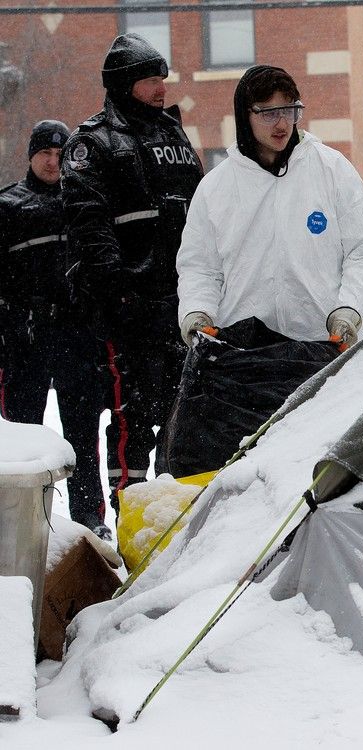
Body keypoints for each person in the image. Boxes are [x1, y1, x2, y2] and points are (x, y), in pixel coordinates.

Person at [61, 33, 204, 511]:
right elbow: (89, 227)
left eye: (162, 77)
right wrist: (120, 293)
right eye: (149, 78)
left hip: (183, 303)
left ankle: (175, 510)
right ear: (125, 84)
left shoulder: (174, 133)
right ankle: (130, 518)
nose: (161, 87)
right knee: (132, 419)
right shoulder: (91, 144)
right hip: (130, 310)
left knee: (186, 413)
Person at [176, 65, 363, 348]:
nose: (282, 124)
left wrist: (349, 310)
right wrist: (197, 311)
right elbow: (200, 267)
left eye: (289, 111)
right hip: (243, 353)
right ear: (244, 115)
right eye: (269, 113)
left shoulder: (332, 171)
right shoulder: (216, 188)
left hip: (323, 344)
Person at [0, 120, 110, 538]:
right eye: (44, 152)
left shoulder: (82, 202)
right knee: (21, 441)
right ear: (30, 156)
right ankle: (19, 522)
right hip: (25, 341)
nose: (52, 161)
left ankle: (89, 519)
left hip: (76, 337)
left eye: (60, 154)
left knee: (83, 436)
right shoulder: (9, 206)